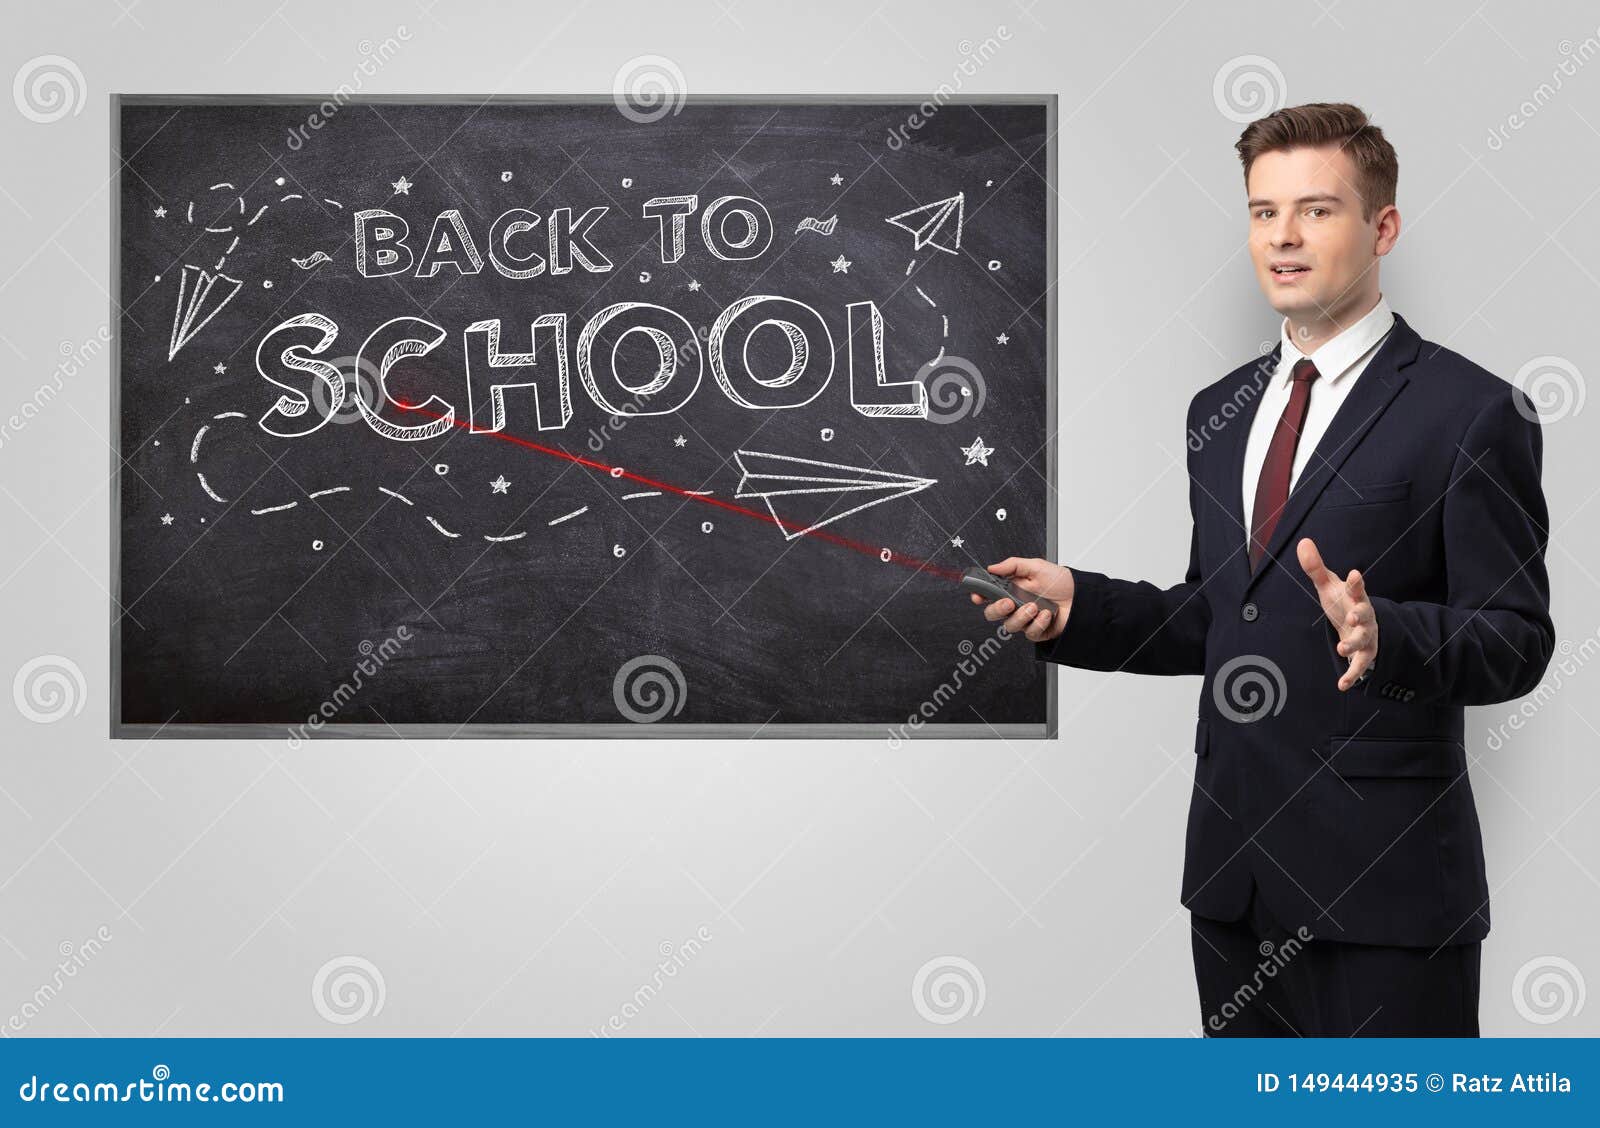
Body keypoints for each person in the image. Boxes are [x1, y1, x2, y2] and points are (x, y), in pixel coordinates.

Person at [971, 103, 1553, 1036]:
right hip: (1235, 879)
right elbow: (1220, 618)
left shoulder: (1474, 411)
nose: (1282, 237)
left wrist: (1388, 632)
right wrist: (1084, 607)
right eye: (1261, 211)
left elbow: (1518, 641)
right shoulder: (1222, 412)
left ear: (1383, 228)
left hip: (1389, 889)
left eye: (1317, 210)